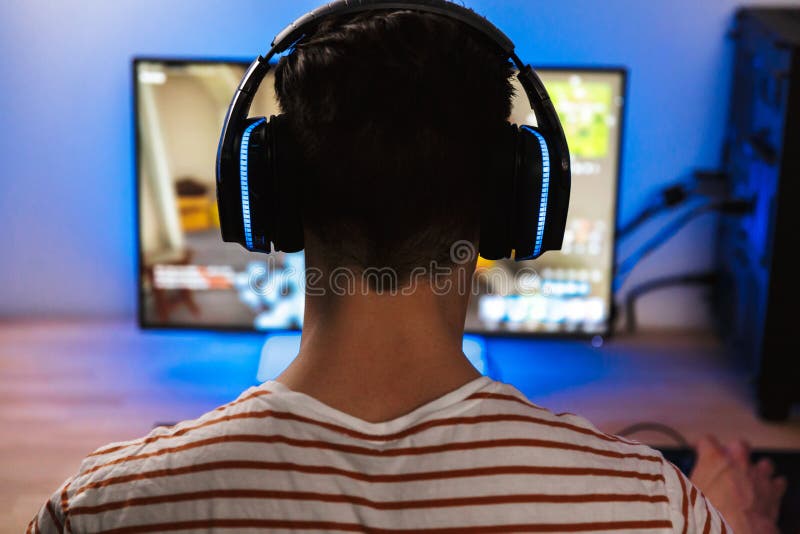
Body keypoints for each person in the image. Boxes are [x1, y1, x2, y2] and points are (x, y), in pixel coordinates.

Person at [30, 6, 784, 533]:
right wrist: (734, 520)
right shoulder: (653, 507)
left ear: (271, 199)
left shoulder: (98, 507)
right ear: (513, 207)